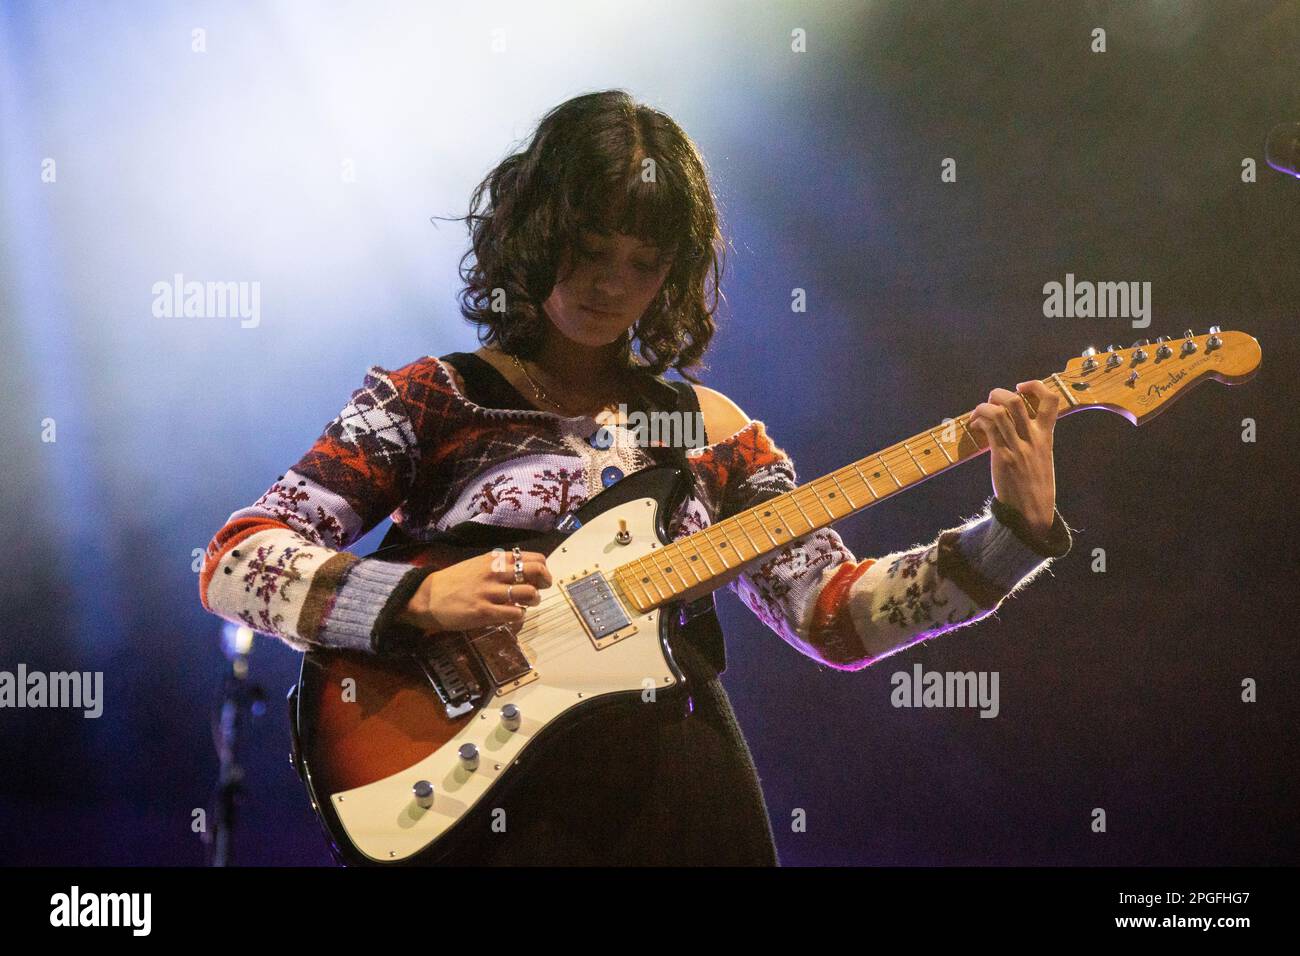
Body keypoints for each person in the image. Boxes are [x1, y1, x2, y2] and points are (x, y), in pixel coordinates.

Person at [198, 89, 1071, 866]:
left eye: (642, 263)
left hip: (672, 793)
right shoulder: (432, 399)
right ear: (533, 233)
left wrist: (1010, 535)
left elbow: (834, 616)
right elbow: (237, 561)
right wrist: (420, 597)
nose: (611, 284)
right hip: (475, 797)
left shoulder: (713, 431)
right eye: (587, 248)